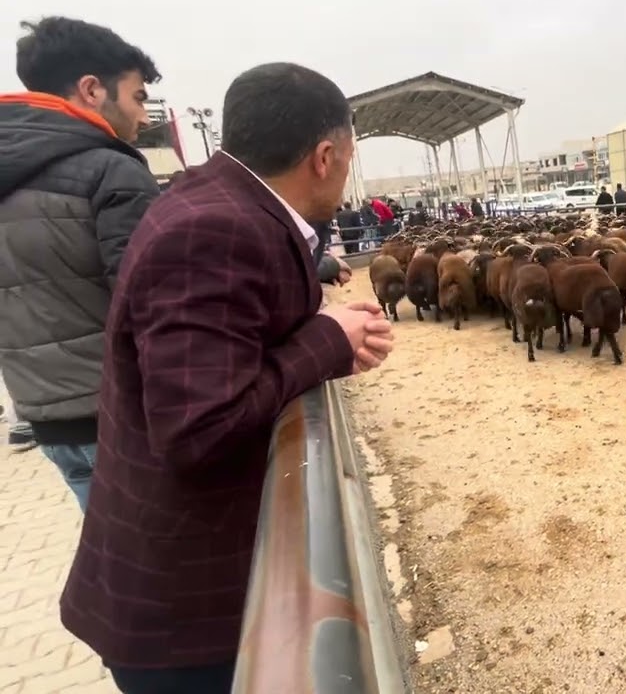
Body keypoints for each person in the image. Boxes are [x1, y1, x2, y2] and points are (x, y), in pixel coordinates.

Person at [60, 62, 395, 694]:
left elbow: (232, 348)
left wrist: (328, 343)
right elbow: (199, 429)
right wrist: (326, 340)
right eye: (348, 161)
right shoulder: (214, 229)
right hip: (183, 620)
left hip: (188, 593)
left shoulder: (220, 203)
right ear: (325, 157)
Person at [0, 17, 161, 510]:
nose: (143, 118)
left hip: (48, 422)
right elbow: (151, 304)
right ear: (92, 89)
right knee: (173, 575)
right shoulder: (110, 169)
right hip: (123, 423)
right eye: (137, 98)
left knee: (119, 565)